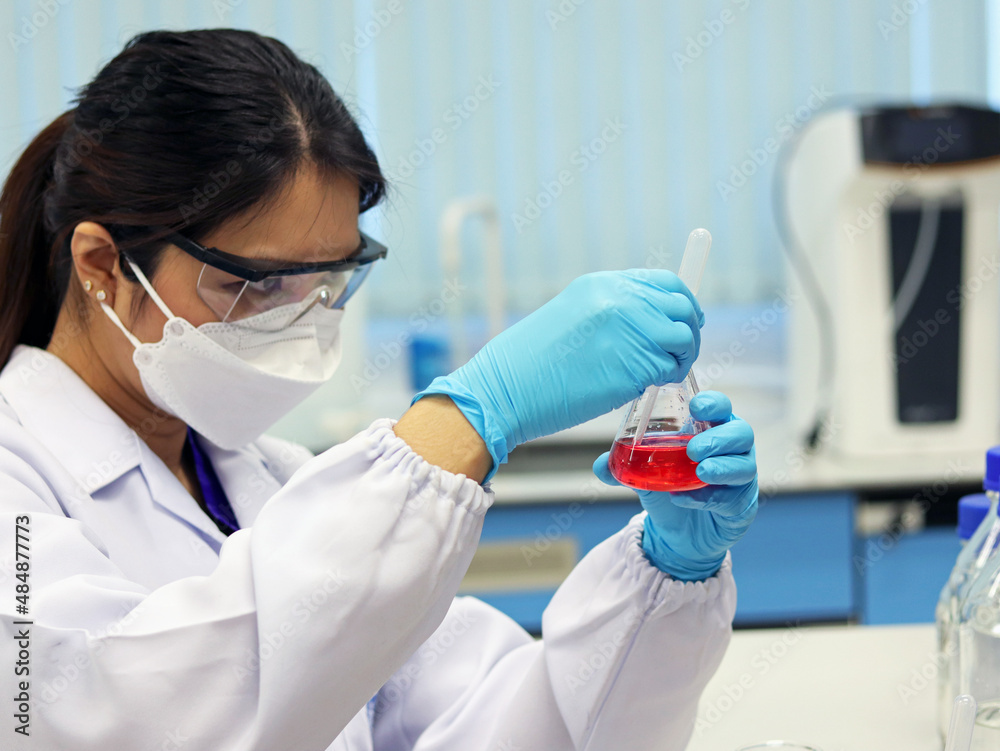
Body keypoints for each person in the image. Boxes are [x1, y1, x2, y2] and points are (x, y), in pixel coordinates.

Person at [0, 29, 758, 751]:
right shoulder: (16, 484)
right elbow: (116, 717)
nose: (295, 322)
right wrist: (474, 415)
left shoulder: (271, 479)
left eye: (325, 280)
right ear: (101, 265)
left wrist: (665, 575)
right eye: (251, 283)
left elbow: (504, 726)